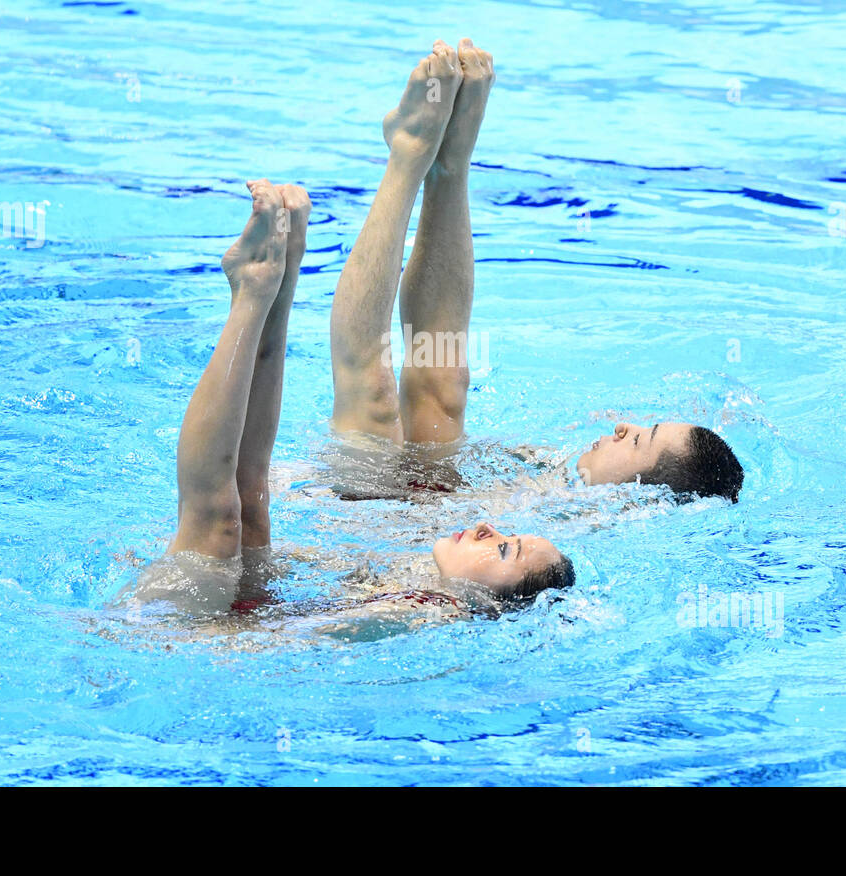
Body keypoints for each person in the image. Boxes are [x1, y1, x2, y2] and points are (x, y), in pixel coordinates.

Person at [131, 174, 573, 619]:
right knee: (248, 504)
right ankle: (271, 282)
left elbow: (295, 648)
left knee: (217, 521)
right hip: (243, 616)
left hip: (188, 633)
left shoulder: (428, 614)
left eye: (503, 552)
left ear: (489, 603)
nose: (486, 528)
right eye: (505, 535)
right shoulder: (419, 588)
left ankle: (260, 287)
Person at [328, 39, 744, 504]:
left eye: (639, 441)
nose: (624, 427)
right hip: (436, 498)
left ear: (641, 495)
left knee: (373, 401)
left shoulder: (599, 522)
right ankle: (450, 162)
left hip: (378, 514)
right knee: (443, 384)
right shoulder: (565, 482)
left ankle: (407, 156)